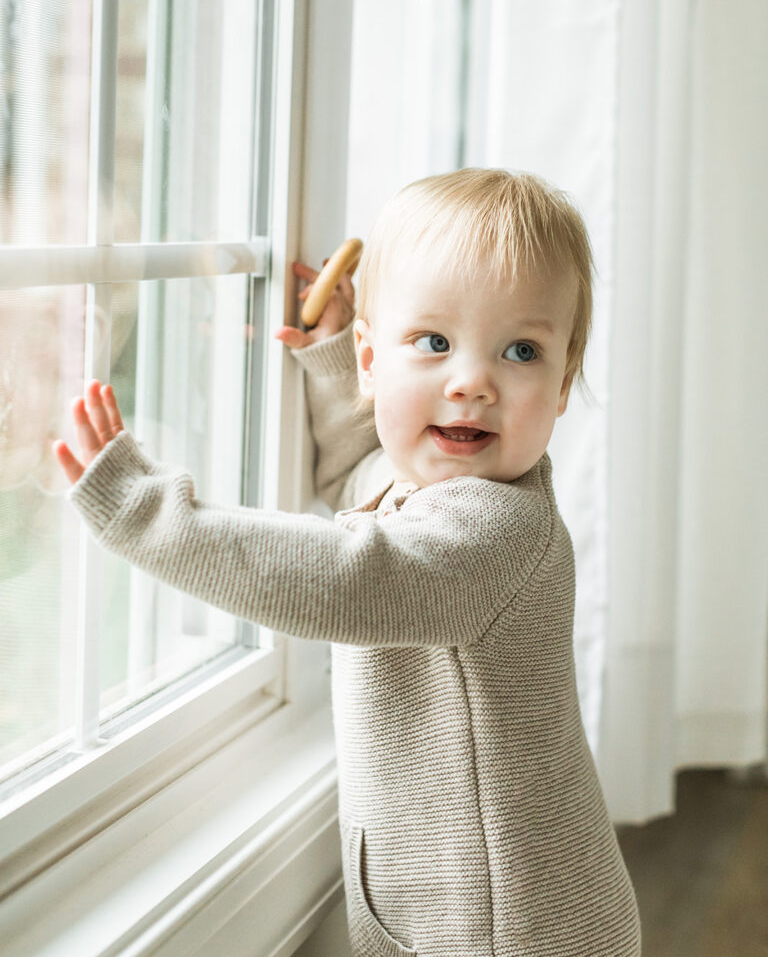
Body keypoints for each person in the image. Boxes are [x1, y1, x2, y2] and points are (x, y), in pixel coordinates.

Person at [54, 168, 641, 957]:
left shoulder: (497, 531)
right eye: (433, 343)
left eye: (521, 351)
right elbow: (357, 480)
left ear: (563, 384)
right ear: (373, 360)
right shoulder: (430, 494)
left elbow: (344, 575)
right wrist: (334, 363)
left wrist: (144, 512)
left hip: (512, 934)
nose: (472, 382)